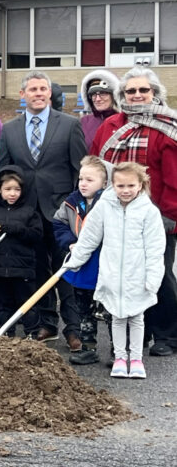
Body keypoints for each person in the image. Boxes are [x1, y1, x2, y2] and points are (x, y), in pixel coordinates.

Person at [90, 67, 177, 357]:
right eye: (131, 91)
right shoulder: (111, 126)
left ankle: (166, 333)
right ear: (122, 95)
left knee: (158, 274)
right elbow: (97, 166)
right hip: (116, 215)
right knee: (123, 274)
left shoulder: (168, 125)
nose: (137, 95)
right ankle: (136, 334)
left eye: (144, 90)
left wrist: (170, 215)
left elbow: (173, 176)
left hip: (156, 216)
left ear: (155, 93)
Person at [0, 71, 87, 342]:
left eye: (43, 89)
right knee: (37, 270)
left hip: (60, 211)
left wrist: (77, 207)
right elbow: (4, 169)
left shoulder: (70, 125)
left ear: (50, 93)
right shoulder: (10, 129)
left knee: (66, 269)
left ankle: (74, 328)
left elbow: (78, 170)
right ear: (22, 95)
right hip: (27, 213)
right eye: (32, 89)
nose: (38, 93)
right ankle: (48, 323)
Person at [64, 162, 165, 379]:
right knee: (116, 317)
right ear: (112, 185)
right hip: (110, 274)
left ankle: (136, 358)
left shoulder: (149, 212)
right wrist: (76, 259)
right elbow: (90, 236)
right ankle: (120, 358)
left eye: (130, 185)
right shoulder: (104, 207)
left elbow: (156, 248)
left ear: (140, 185)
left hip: (137, 275)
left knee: (137, 318)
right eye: (120, 186)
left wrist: (153, 278)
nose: (125, 190)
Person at [53, 155, 110, 365]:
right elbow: (58, 223)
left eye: (90, 180)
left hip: (104, 263)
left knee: (109, 309)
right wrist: (69, 242)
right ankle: (88, 347)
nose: (83, 184)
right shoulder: (71, 202)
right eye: (81, 179)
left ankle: (118, 350)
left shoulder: (108, 203)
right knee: (82, 306)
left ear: (104, 183)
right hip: (80, 263)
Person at [0, 166, 45, 337]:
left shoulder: (29, 212)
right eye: (8, 189)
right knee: (3, 304)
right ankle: (6, 334)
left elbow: (37, 235)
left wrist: (19, 230)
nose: (12, 194)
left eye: (17, 189)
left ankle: (31, 334)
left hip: (22, 268)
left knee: (27, 303)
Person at [79, 70, 120, 149]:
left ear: (114, 96)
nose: (97, 99)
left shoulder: (124, 121)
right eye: (93, 94)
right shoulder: (84, 121)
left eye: (103, 93)